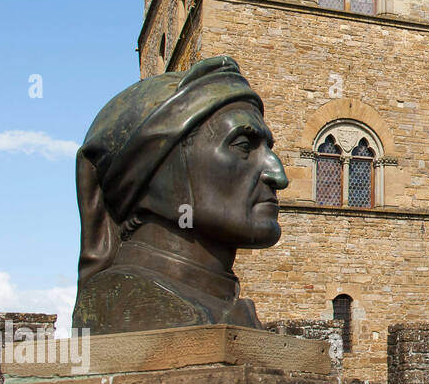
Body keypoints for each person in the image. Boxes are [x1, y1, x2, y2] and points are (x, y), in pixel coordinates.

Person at [72, 55, 288, 335]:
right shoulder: (127, 302)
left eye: (269, 148)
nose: (278, 176)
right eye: (243, 145)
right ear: (157, 172)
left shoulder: (228, 311)